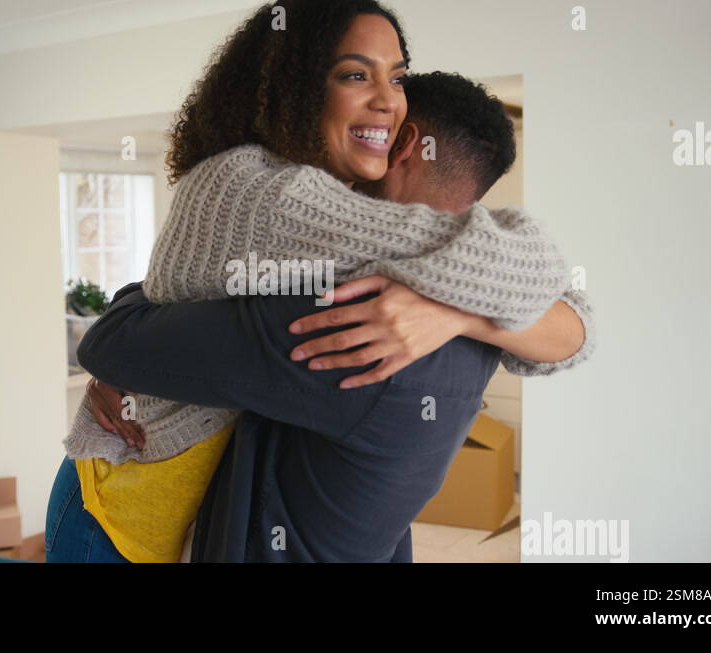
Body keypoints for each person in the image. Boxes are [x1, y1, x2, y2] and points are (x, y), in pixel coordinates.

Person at [46, 0, 592, 563]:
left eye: (397, 77)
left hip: (176, 501)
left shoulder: (328, 208)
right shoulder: (270, 193)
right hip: (118, 507)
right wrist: (467, 307)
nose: (388, 100)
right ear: (297, 88)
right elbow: (541, 274)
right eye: (355, 75)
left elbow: (563, 315)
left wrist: (454, 311)